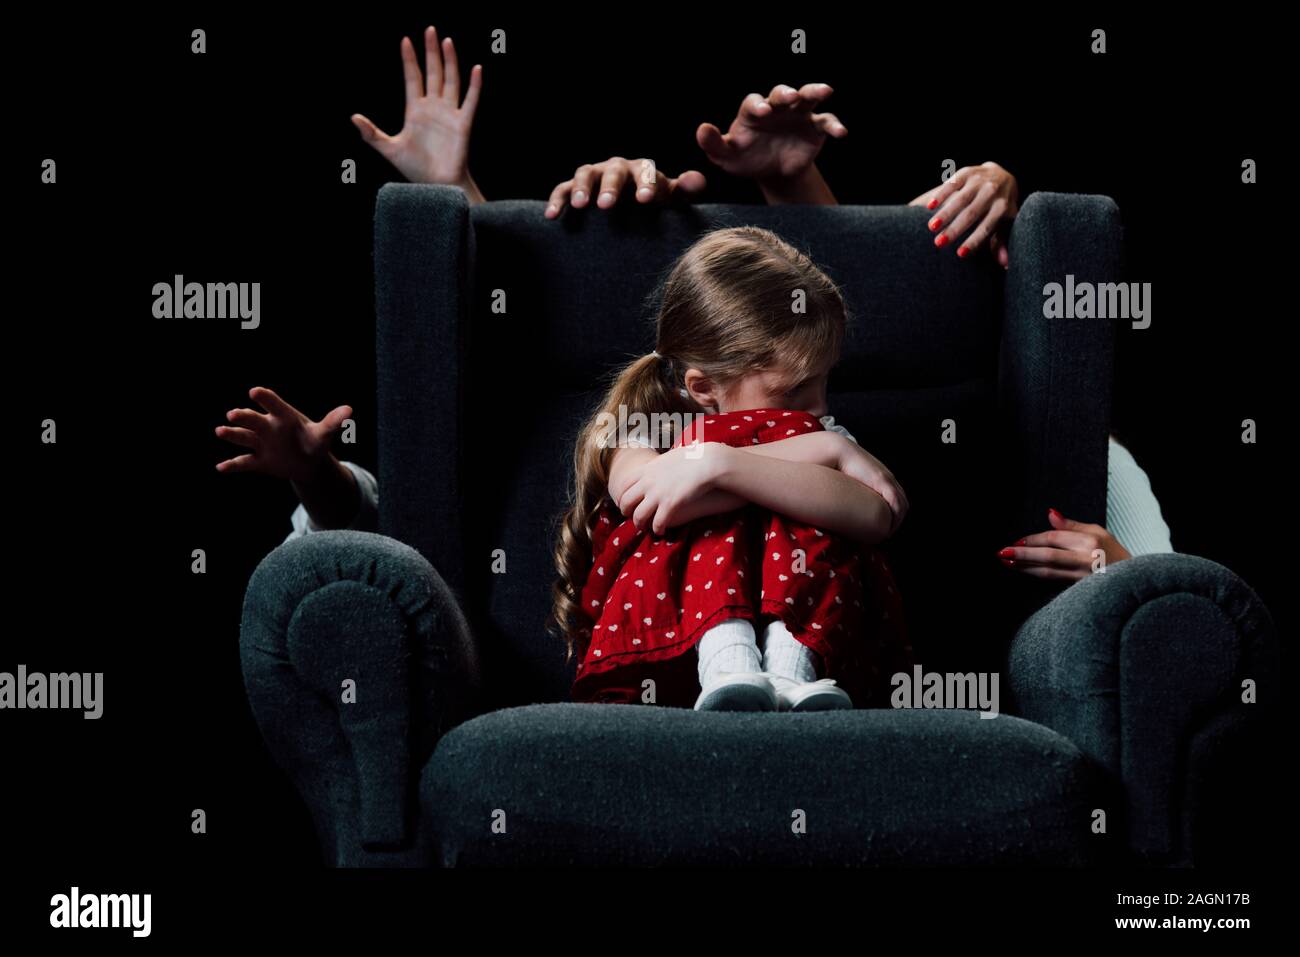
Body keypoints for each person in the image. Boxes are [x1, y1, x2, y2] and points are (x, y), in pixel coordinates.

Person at [550, 225, 913, 712]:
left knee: (814, 517)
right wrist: (809, 456)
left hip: (826, 649)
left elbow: (877, 517)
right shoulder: (643, 428)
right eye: (793, 392)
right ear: (703, 388)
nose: (818, 405)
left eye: (826, 380)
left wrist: (724, 467)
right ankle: (729, 666)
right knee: (715, 520)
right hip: (671, 642)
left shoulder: (821, 429)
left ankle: (791, 672)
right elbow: (654, 502)